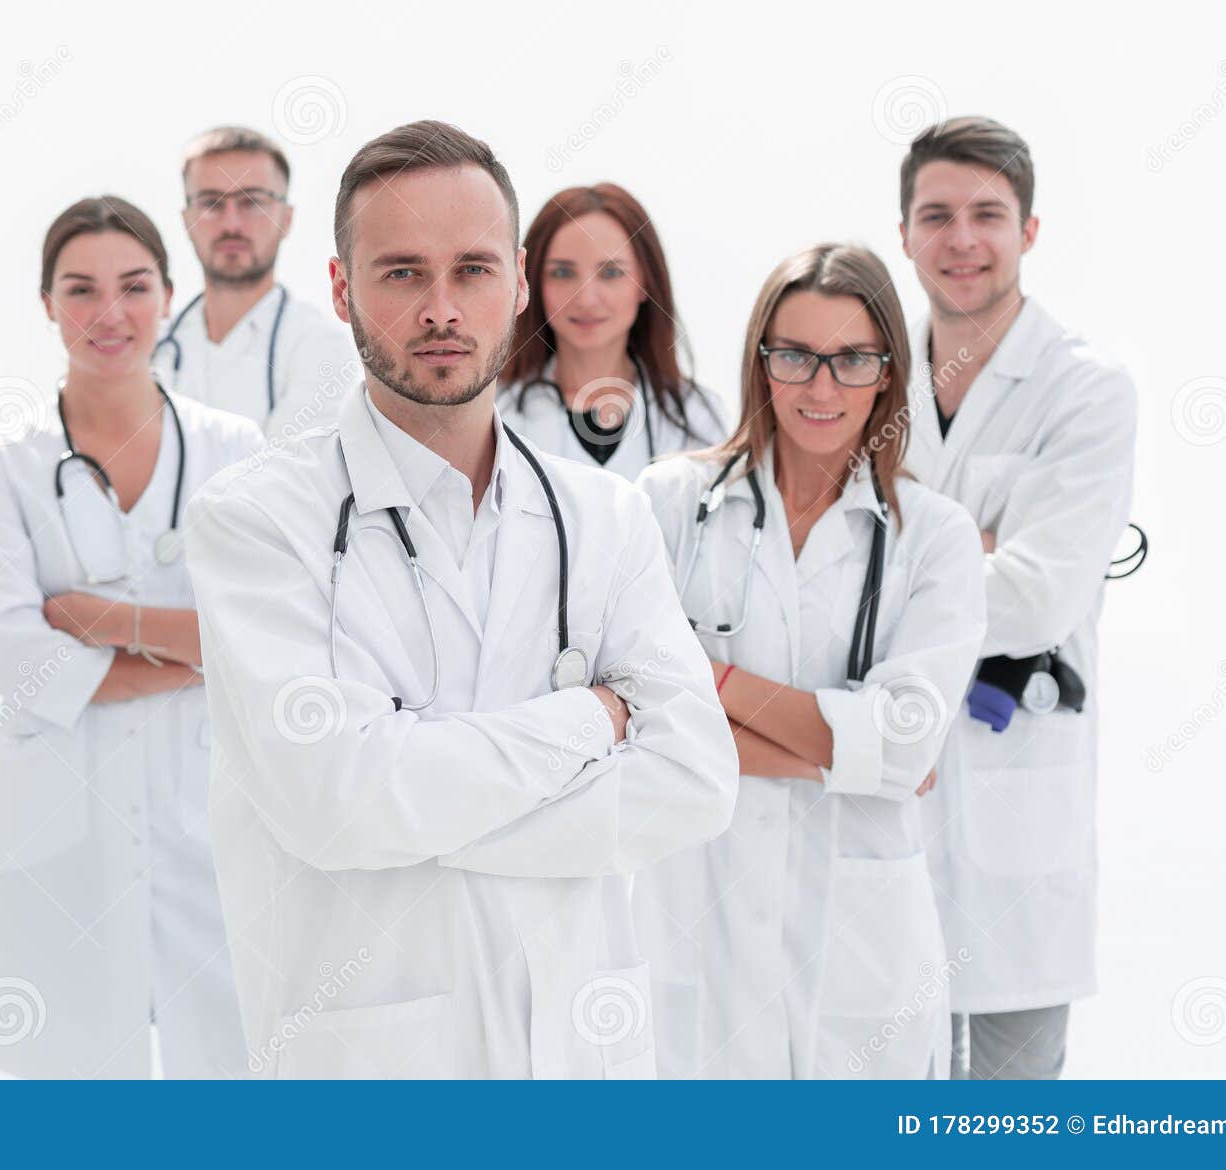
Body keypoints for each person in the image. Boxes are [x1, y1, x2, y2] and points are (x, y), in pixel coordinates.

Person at [184, 121, 741, 1079]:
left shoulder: (603, 517)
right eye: (401, 273)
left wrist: (425, 806)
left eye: (473, 269)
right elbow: (339, 805)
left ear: (519, 281)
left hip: (582, 1056)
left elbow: (695, 781)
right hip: (375, 1066)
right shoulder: (257, 523)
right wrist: (592, 719)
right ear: (341, 287)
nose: (442, 308)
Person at [632, 244, 986, 1079]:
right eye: (794, 356)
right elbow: (628, 723)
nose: (821, 388)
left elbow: (908, 748)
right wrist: (849, 754)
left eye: (851, 359)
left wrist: (709, 682)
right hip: (693, 918)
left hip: (862, 950)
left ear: (887, 371)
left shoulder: (935, 537)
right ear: (761, 361)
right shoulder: (667, 505)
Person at [0, 196, 264, 1079]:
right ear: (47, 304)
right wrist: (195, 650)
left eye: (133, 287)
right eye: (80, 290)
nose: (109, 314)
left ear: (169, 294)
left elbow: (265, 638)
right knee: (75, 1102)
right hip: (63, 828)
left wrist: (101, 623)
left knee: (234, 1082)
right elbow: (18, 663)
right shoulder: (5, 466)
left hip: (208, 821)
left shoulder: (234, 452)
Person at [898, 117, 1138, 1080]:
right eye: (938, 215)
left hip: (1017, 806)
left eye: (988, 215)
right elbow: (813, 572)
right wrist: (976, 547)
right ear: (905, 233)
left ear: (1029, 230)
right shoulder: (863, 380)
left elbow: (1038, 602)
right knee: (888, 1111)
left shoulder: (1086, 390)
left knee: (1013, 1123)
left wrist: (899, 558)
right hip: (885, 807)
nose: (963, 239)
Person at [497, 183, 727, 478]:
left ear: (645, 283)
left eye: (611, 273)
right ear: (530, 282)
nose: (586, 299)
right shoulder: (495, 414)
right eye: (563, 273)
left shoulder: (697, 418)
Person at [153, 126, 359, 440]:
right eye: (211, 203)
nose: (231, 223)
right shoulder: (154, 346)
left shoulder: (320, 348)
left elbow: (285, 480)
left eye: (252, 202)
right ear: (186, 219)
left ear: (286, 218)